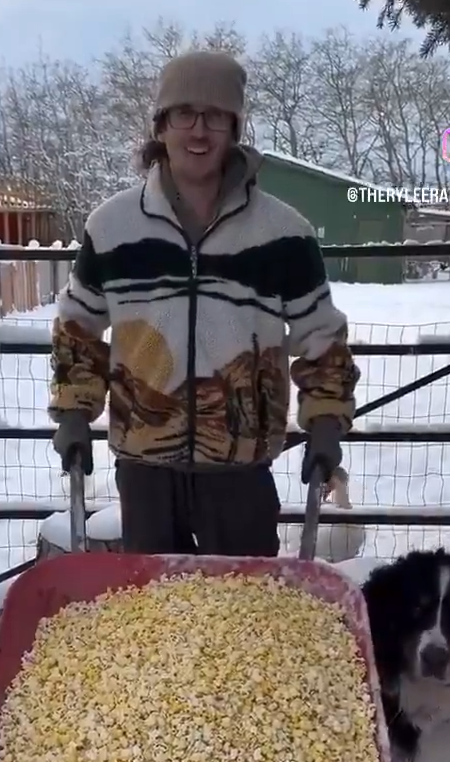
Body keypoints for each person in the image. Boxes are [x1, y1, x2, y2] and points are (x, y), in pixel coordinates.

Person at [48, 50, 360, 557]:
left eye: (216, 116)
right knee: (155, 615)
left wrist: (325, 421)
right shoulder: (112, 228)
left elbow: (321, 337)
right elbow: (78, 326)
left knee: (244, 614)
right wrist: (74, 413)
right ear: (161, 126)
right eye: (184, 114)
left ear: (234, 128)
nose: (199, 131)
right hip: (145, 468)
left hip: (240, 470)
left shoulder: (283, 234)